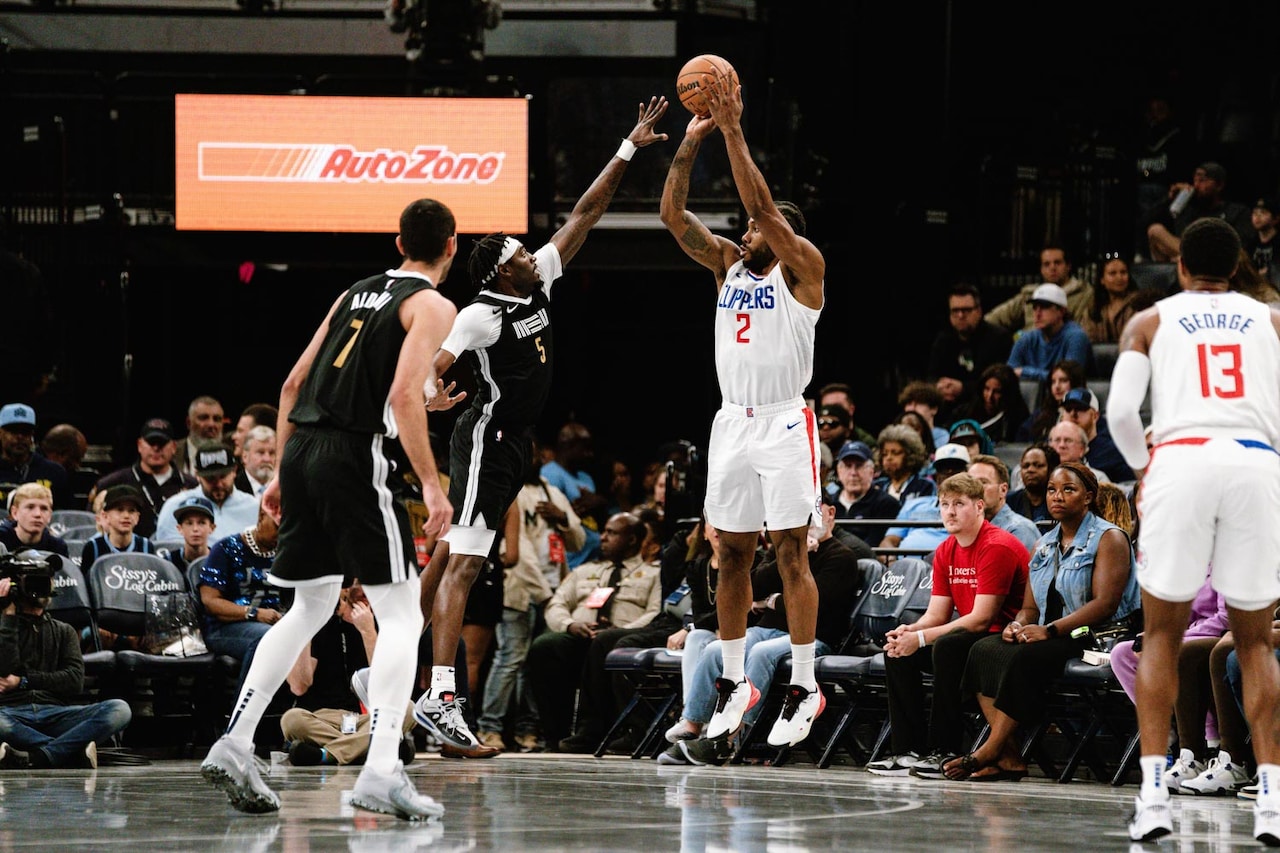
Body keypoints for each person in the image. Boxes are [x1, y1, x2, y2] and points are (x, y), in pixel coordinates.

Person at [413, 97, 669, 755]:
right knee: (466, 565)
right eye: (523, 249)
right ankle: (440, 696)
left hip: (513, 442)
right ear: (503, 266)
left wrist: (629, 146)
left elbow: (585, 214)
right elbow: (431, 366)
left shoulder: (535, 286)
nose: (537, 250)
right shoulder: (480, 313)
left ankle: (398, 675)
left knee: (452, 560)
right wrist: (431, 393)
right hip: (484, 440)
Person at [200, 197, 458, 821]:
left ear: (398, 244)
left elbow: (292, 384)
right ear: (450, 247)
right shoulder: (433, 304)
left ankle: (235, 741)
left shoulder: (354, 293)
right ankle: (382, 768)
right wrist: (430, 481)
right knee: (402, 616)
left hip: (305, 451)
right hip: (355, 455)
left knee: (309, 606)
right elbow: (401, 396)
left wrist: (283, 472)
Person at [659, 72, 829, 749]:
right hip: (731, 420)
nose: (748, 225)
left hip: (786, 420)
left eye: (761, 223)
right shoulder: (727, 266)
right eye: (750, 224)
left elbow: (759, 199)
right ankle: (734, 679)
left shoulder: (803, 268)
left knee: (789, 552)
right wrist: (690, 144)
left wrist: (733, 128)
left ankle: (806, 682)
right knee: (728, 552)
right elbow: (674, 217)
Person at [1105, 215, 1280, 843]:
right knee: (1256, 643)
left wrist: (1145, 467)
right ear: (1237, 269)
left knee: (1160, 636)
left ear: (1179, 267)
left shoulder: (1149, 320)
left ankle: (1153, 798)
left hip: (1182, 456)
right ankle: (1273, 804)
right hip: (1257, 462)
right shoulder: (1272, 320)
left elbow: (1122, 411)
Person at [943, 462, 1141, 782]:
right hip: (1052, 632)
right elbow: (1030, 608)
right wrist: (1018, 626)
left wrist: (1050, 630)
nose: (1057, 496)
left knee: (1027, 659)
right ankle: (1008, 756)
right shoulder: (1043, 543)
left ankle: (990, 749)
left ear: (1088, 496)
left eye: (1068, 489)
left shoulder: (1109, 538)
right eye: (1051, 490)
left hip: (1096, 633)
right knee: (981, 650)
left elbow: (1105, 605)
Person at [675, 493, 863, 766]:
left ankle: (730, 739)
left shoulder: (842, 557)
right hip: (766, 629)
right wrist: (789, 560)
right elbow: (752, 586)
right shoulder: (781, 549)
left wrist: (771, 600)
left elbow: (812, 605)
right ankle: (692, 725)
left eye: (815, 511)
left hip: (814, 638)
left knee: (762, 653)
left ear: (831, 514)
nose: (808, 519)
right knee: (715, 649)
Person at [866, 472, 1029, 778]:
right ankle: (907, 752)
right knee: (897, 651)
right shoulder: (945, 550)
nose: (950, 512)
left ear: (980, 507)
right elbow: (936, 615)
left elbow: (982, 619)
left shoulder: (997, 546)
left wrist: (924, 637)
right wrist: (909, 633)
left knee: (947, 646)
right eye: (944, 504)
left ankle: (945, 750)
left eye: (959, 504)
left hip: (1002, 639)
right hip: (969, 637)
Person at [475, 447, 586, 752]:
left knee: (533, 667)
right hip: (522, 591)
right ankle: (489, 728)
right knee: (510, 659)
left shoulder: (552, 492)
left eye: (540, 455)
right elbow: (517, 552)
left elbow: (578, 540)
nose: (537, 459)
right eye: (531, 454)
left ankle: (528, 730)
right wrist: (549, 596)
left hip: (552, 588)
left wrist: (563, 517)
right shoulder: (513, 492)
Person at [524, 512, 659, 751]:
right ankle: (554, 735)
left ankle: (590, 730)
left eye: (612, 533)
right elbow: (556, 604)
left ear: (632, 540)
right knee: (545, 647)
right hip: (581, 638)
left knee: (606, 642)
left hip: (622, 642)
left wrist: (623, 631)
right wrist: (570, 625)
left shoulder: (653, 574)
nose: (603, 538)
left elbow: (656, 612)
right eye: (604, 531)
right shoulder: (585, 571)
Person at [0, 549, 132, 768]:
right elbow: (5, 669)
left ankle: (38, 756)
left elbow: (73, 682)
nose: (42, 585)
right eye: (34, 580)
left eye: (47, 578)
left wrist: (24, 681)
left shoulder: (65, 631)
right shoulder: (4, 625)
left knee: (119, 709)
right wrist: (7, 616)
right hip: (10, 714)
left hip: (57, 714)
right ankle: (70, 751)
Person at [1108, 574, 1233, 793]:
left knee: (1183, 654)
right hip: (1190, 633)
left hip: (1219, 636)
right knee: (1122, 654)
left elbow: (1226, 618)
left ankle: (1208, 744)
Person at [280, 581, 415, 768]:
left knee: (408, 708)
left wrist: (368, 631)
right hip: (320, 719)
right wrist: (306, 625)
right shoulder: (315, 623)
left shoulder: (374, 623)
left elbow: (388, 684)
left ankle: (327, 755)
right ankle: (369, 749)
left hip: (363, 719)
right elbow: (299, 685)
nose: (365, 590)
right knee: (291, 719)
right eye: (357, 584)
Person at [197, 506, 286, 695]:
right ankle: (244, 712)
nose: (281, 534)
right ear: (262, 516)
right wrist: (254, 613)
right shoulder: (226, 548)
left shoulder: (285, 553)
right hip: (224, 627)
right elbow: (210, 602)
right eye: (278, 527)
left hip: (274, 623)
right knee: (267, 639)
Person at [90, 418, 197, 540]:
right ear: (139, 445)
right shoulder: (112, 483)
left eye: (162, 443)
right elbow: (92, 524)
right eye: (151, 443)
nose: (156, 448)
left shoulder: (191, 485)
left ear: (173, 447)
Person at [928, 282, 1014, 424]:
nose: (960, 315)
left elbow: (1003, 384)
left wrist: (963, 388)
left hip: (985, 409)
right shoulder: (943, 339)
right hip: (947, 408)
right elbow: (932, 375)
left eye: (966, 310)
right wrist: (940, 386)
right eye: (955, 311)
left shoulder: (999, 338)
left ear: (979, 311)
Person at [154, 438, 260, 545]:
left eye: (223, 477)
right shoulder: (176, 507)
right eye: (210, 479)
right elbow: (168, 553)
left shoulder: (255, 507)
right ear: (197, 475)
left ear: (234, 471)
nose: (218, 484)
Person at [877, 443, 972, 562]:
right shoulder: (913, 504)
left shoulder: (974, 508)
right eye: (943, 469)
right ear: (936, 476)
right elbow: (889, 540)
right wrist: (892, 563)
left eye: (956, 468)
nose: (950, 473)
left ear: (968, 474)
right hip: (905, 570)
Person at [1144, 161, 1255, 263]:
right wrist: (1169, 199)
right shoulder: (1186, 209)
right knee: (1155, 230)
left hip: (1218, 261)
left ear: (1219, 185)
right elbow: (1145, 221)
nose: (1196, 185)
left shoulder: (1237, 211)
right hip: (1186, 263)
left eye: (1202, 181)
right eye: (1195, 180)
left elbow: (1240, 247)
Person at [985, 245, 1091, 336]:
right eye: (1046, 264)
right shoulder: (1030, 294)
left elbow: (1083, 330)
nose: (1052, 268)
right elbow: (995, 317)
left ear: (1068, 266)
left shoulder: (1084, 293)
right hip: (1027, 345)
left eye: (1057, 263)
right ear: (1041, 269)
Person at [1006, 283, 1093, 383]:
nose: (1037, 314)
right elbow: (1008, 375)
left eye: (1044, 307)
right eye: (1035, 307)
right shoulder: (1026, 339)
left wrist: (1024, 372)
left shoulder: (1076, 337)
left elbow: (1068, 378)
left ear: (1061, 311)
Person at [0, 403, 71, 511]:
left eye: (25, 432)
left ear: (32, 434)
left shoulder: (54, 472)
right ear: (1, 433)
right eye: (13, 431)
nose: (20, 437)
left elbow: (66, 516)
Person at [830, 440, 900, 548]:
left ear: (871, 471)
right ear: (839, 471)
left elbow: (874, 543)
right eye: (848, 466)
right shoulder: (829, 502)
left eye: (859, 466)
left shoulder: (886, 504)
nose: (853, 473)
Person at [967, 454, 1041, 554]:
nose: (975, 489)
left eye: (983, 482)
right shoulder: (966, 529)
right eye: (971, 483)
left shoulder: (1020, 529)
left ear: (1003, 490)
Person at [1059, 387, 1133, 484]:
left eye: (1080, 408)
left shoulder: (1113, 452)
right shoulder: (1055, 448)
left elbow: (1129, 487)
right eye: (1068, 409)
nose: (1073, 414)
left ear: (1095, 416)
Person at [78, 484, 157, 569]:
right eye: (120, 510)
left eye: (131, 510)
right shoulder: (93, 547)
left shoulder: (146, 546)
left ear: (137, 517)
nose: (126, 516)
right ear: (105, 516)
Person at [949, 363, 1030, 445]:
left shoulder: (1018, 418)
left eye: (997, 391)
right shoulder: (965, 412)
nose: (989, 396)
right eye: (987, 389)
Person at [1017, 357, 1087, 443]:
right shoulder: (1041, 413)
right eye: (1053, 382)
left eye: (1063, 381)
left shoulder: (1086, 415)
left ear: (1076, 383)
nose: (1057, 386)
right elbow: (1022, 436)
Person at [1080, 252, 1142, 344]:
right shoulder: (1093, 308)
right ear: (1102, 280)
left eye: (1123, 272)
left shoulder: (1139, 304)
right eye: (1112, 273)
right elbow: (1086, 340)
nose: (1119, 277)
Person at [871, 423, 934, 505]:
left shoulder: (925, 486)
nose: (889, 458)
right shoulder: (876, 487)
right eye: (884, 454)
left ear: (910, 454)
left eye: (895, 453)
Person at [0, 483, 68, 557]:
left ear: (49, 515)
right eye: (30, 507)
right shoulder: (2, 539)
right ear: (15, 513)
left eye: (44, 508)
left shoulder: (58, 547)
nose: (37, 514)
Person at [159, 494, 216, 575]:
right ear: (180, 528)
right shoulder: (168, 562)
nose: (195, 529)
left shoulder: (220, 562)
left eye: (201, 523)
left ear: (212, 528)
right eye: (189, 523)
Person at [173, 396, 226, 479]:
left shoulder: (231, 454)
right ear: (189, 423)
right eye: (204, 418)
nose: (211, 424)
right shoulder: (172, 452)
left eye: (217, 419)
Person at [1006, 444, 1060, 524]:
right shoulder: (1009, 501)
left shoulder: (1059, 500)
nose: (1030, 470)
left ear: (1052, 470)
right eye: (1025, 466)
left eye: (1038, 466)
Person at [897, 380, 950, 449]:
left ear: (934, 409)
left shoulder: (945, 440)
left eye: (919, 403)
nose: (912, 408)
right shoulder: (897, 439)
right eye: (909, 404)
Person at [233, 425, 276, 498]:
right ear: (245, 456)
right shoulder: (233, 488)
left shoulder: (284, 488)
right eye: (261, 452)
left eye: (271, 453)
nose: (267, 459)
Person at [1251, 197, 1280, 288]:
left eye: (1263, 213)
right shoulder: (1251, 243)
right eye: (1255, 213)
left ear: (1275, 219)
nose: (1257, 217)